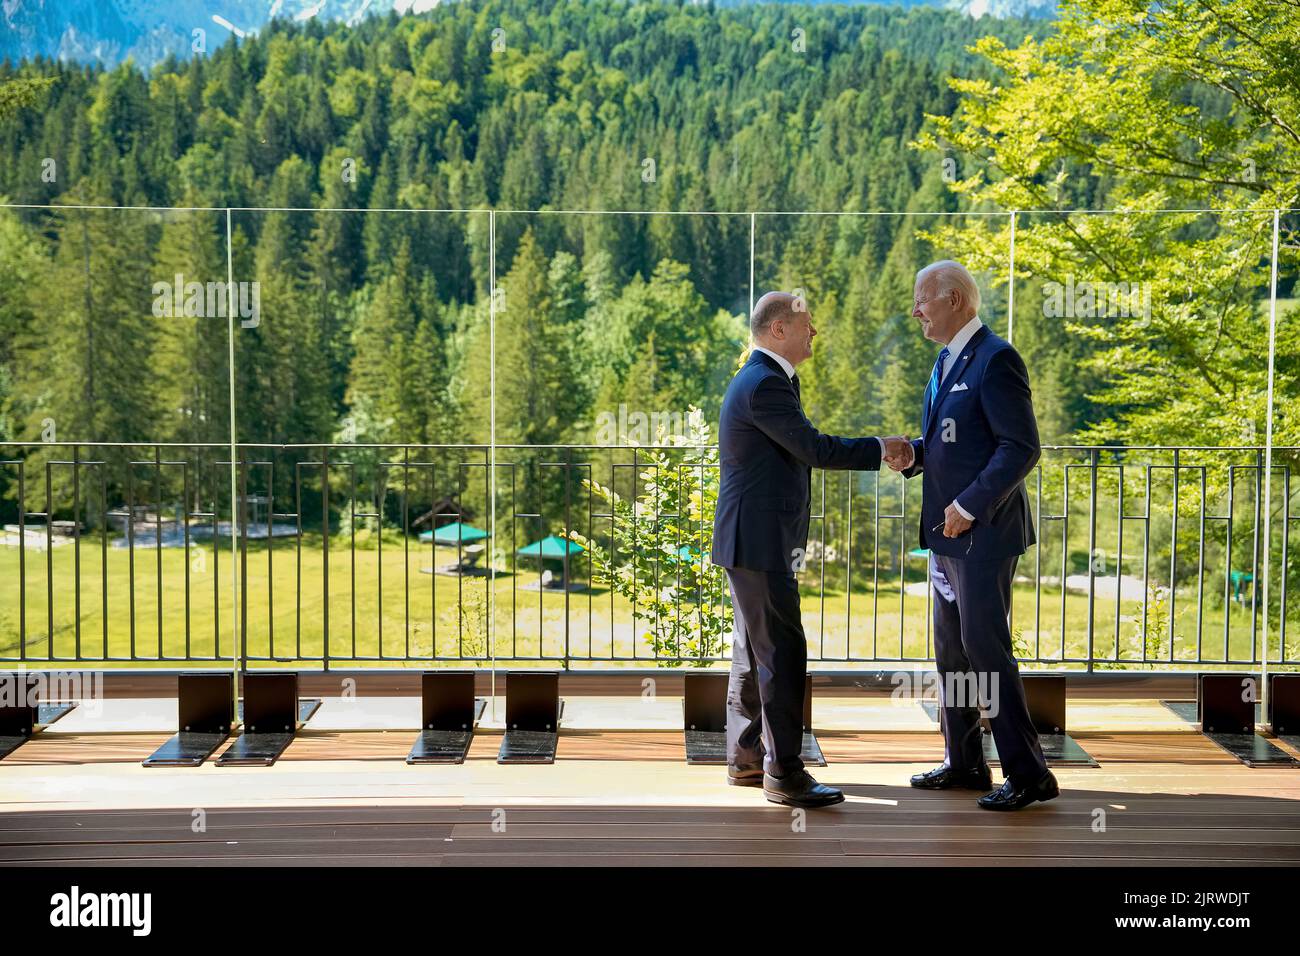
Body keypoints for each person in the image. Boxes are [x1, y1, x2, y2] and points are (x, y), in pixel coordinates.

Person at [713, 291, 911, 809]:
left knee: (754, 654)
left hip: (751, 540)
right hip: (759, 543)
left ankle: (748, 758)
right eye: (808, 324)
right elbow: (814, 448)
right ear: (778, 330)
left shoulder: (764, 380)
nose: (814, 332)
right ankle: (784, 773)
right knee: (781, 653)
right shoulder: (764, 386)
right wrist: (880, 446)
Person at [887, 260, 1059, 811]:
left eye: (923, 300)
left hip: (981, 535)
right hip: (945, 537)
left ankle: (1030, 776)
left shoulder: (997, 358)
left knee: (986, 651)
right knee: (951, 653)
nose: (916, 310)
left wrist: (969, 505)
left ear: (955, 299)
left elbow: (1020, 448)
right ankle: (964, 764)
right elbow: (956, 442)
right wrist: (915, 453)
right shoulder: (946, 359)